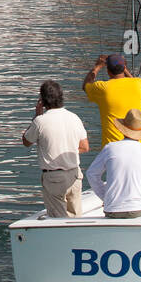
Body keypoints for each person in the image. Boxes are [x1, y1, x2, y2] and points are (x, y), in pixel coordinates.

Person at [22, 80, 89, 217]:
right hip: (75, 174)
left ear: (42, 100)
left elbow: (26, 141)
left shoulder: (40, 121)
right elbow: (84, 147)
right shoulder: (74, 117)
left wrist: (36, 115)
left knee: (58, 221)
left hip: (53, 178)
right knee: (76, 219)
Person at [86, 109, 141, 218]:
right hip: (139, 208)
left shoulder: (110, 148)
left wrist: (105, 197)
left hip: (112, 210)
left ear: (123, 129)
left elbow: (91, 174)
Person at [83, 53, 141, 147]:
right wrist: (123, 67)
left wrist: (97, 67)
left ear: (108, 71)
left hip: (114, 147)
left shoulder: (103, 88)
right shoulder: (139, 83)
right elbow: (134, 81)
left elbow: (86, 86)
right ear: (124, 67)